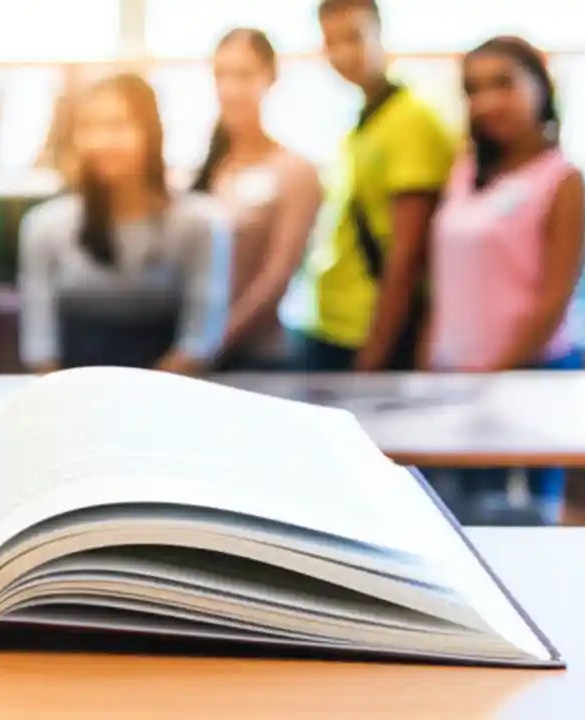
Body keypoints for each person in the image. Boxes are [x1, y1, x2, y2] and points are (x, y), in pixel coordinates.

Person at [425, 37, 583, 524]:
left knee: (518, 527)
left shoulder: (562, 180)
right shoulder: (466, 169)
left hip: (525, 382)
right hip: (452, 381)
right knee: (450, 521)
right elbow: (446, 278)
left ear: (539, 85)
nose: (487, 101)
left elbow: (554, 298)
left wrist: (496, 374)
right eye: (474, 89)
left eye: (503, 84)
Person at [18, 73, 233, 374]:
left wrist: (140, 403)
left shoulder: (199, 223)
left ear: (151, 131)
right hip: (73, 397)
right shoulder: (44, 226)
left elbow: (200, 342)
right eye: (89, 127)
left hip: (169, 396)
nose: (102, 141)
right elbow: (39, 344)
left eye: (118, 125)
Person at [293, 0, 455, 371]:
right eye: (332, 42)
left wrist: (375, 356)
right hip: (335, 323)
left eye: (354, 37)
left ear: (380, 34)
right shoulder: (364, 121)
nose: (344, 53)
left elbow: (407, 253)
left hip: (371, 333)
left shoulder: (410, 120)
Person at [191, 29, 322, 370]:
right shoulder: (212, 169)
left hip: (260, 360)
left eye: (244, 75)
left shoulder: (295, 172)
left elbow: (277, 278)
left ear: (271, 77)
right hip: (200, 358)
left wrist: (207, 349)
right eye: (221, 75)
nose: (231, 89)